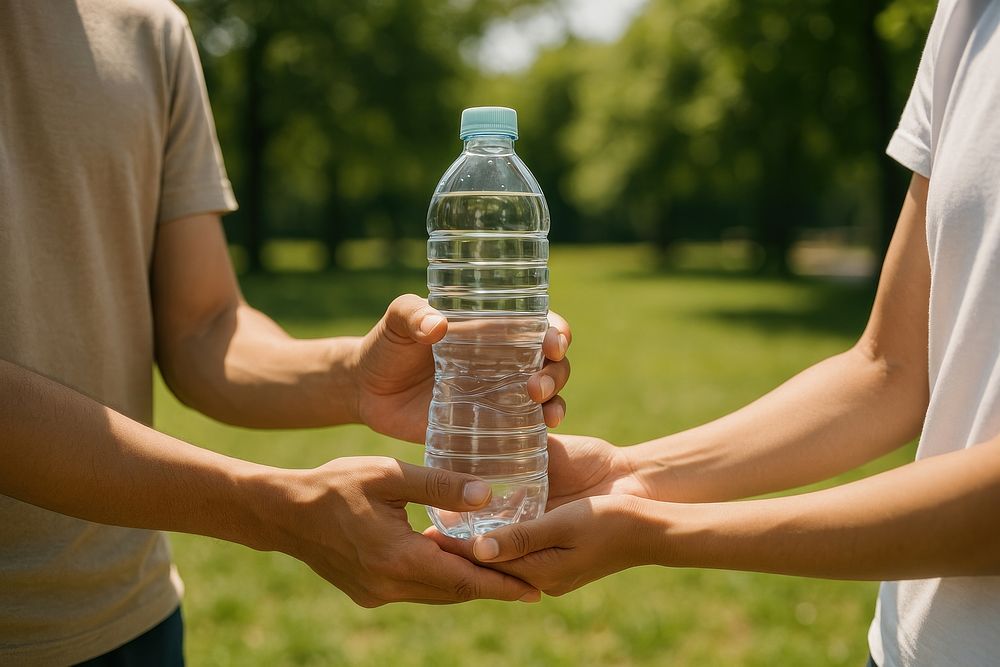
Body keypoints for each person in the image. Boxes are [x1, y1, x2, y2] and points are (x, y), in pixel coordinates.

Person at [0, 1, 572, 664]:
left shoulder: (145, 28)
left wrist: (359, 377)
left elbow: (205, 326)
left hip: (129, 614)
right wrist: (273, 509)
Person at [430, 1, 1000, 665]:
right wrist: (630, 473)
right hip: (907, 645)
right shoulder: (967, 15)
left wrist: (658, 531)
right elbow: (890, 369)